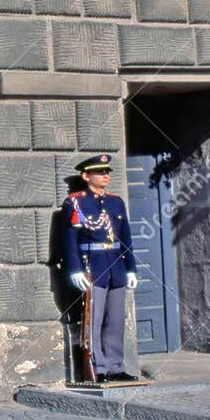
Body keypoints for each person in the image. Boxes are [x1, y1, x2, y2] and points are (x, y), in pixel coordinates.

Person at [61, 152, 139, 384]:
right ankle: (98, 367)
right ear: (86, 176)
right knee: (93, 321)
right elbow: (68, 240)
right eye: (100, 172)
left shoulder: (116, 202)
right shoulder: (75, 202)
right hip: (92, 267)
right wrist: (74, 269)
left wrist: (131, 268)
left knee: (115, 319)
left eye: (107, 173)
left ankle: (116, 367)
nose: (105, 176)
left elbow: (125, 237)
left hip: (116, 266)